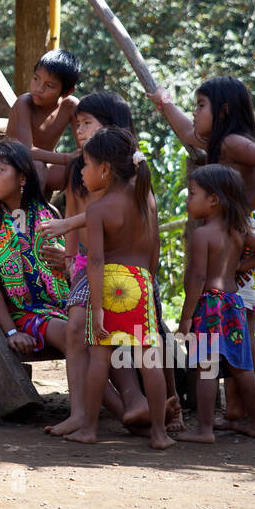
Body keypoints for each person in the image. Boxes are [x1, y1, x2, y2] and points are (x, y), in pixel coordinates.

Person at [146, 76, 255, 426]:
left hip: (244, 235)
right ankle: (239, 412)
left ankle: (243, 413)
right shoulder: (219, 143)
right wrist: (164, 103)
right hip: (239, 233)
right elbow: (185, 132)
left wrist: (242, 208)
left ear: (222, 109)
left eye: (201, 105)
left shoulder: (235, 143)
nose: (194, 113)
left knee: (244, 326)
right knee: (236, 324)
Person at [40, 93, 183, 431]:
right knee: (86, 328)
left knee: (146, 336)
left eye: (87, 123)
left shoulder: (132, 178)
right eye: (76, 124)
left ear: (113, 131)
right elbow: (79, 216)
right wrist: (71, 262)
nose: (79, 130)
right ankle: (103, 412)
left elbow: (109, 221)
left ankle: (164, 405)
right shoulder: (82, 170)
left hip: (122, 271)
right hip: (95, 269)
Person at [0, 140, 134, 426]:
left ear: (22, 177)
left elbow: (73, 268)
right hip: (24, 314)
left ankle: (136, 403)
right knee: (78, 335)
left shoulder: (49, 215)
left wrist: (65, 262)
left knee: (102, 331)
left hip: (62, 304)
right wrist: (9, 332)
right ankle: (125, 415)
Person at [71, 127, 173, 449]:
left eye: (86, 165)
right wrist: (147, 282)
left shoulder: (98, 209)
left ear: (105, 169)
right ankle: (159, 434)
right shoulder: (148, 198)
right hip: (141, 282)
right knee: (149, 360)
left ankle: (88, 429)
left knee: (100, 358)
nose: (82, 172)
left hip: (109, 284)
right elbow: (155, 249)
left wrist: (98, 307)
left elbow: (96, 261)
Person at [176, 165, 255, 442]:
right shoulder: (238, 231)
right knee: (242, 367)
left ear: (214, 200)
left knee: (206, 368)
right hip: (233, 303)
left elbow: (197, 279)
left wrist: (186, 317)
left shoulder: (202, 235)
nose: (188, 200)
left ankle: (204, 430)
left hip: (208, 305)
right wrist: (241, 265)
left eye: (193, 194)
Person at [5, 49, 80, 193]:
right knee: (38, 167)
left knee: (85, 169)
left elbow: (84, 149)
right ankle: (32, 213)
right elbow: (26, 151)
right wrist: (67, 158)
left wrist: (81, 159)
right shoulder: (24, 103)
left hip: (45, 167)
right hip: (12, 166)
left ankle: (77, 214)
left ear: (67, 91)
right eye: (36, 79)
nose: (38, 88)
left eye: (49, 85)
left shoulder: (70, 106)